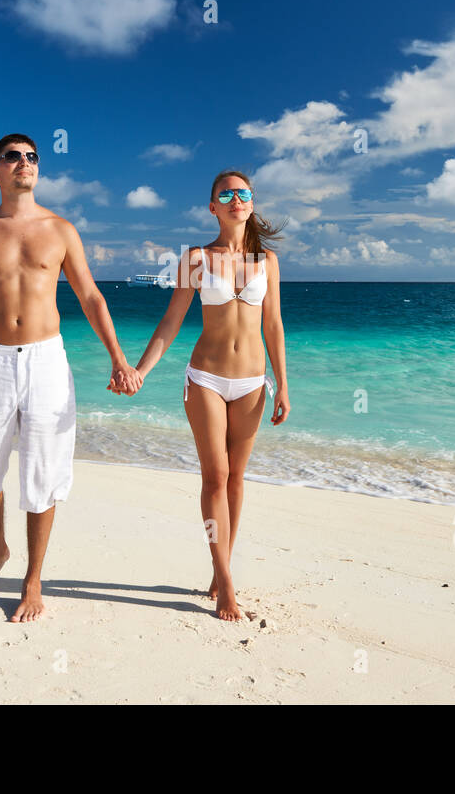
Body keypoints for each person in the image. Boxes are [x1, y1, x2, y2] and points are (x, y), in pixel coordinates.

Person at [0, 133, 142, 622]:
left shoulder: (61, 229)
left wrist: (118, 357)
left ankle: (32, 578)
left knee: (43, 474)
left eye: (31, 157)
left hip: (47, 360)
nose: (23, 163)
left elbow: (90, 297)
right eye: (13, 157)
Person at [128, 170, 289, 621]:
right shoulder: (197, 258)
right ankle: (227, 584)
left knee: (237, 478)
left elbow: (273, 326)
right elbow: (171, 322)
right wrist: (140, 370)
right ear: (213, 207)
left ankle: (222, 567)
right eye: (226, 194)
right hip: (207, 379)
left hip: (254, 382)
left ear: (251, 203)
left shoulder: (267, 262)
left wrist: (283, 385)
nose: (236, 199)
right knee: (215, 475)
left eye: (244, 193)